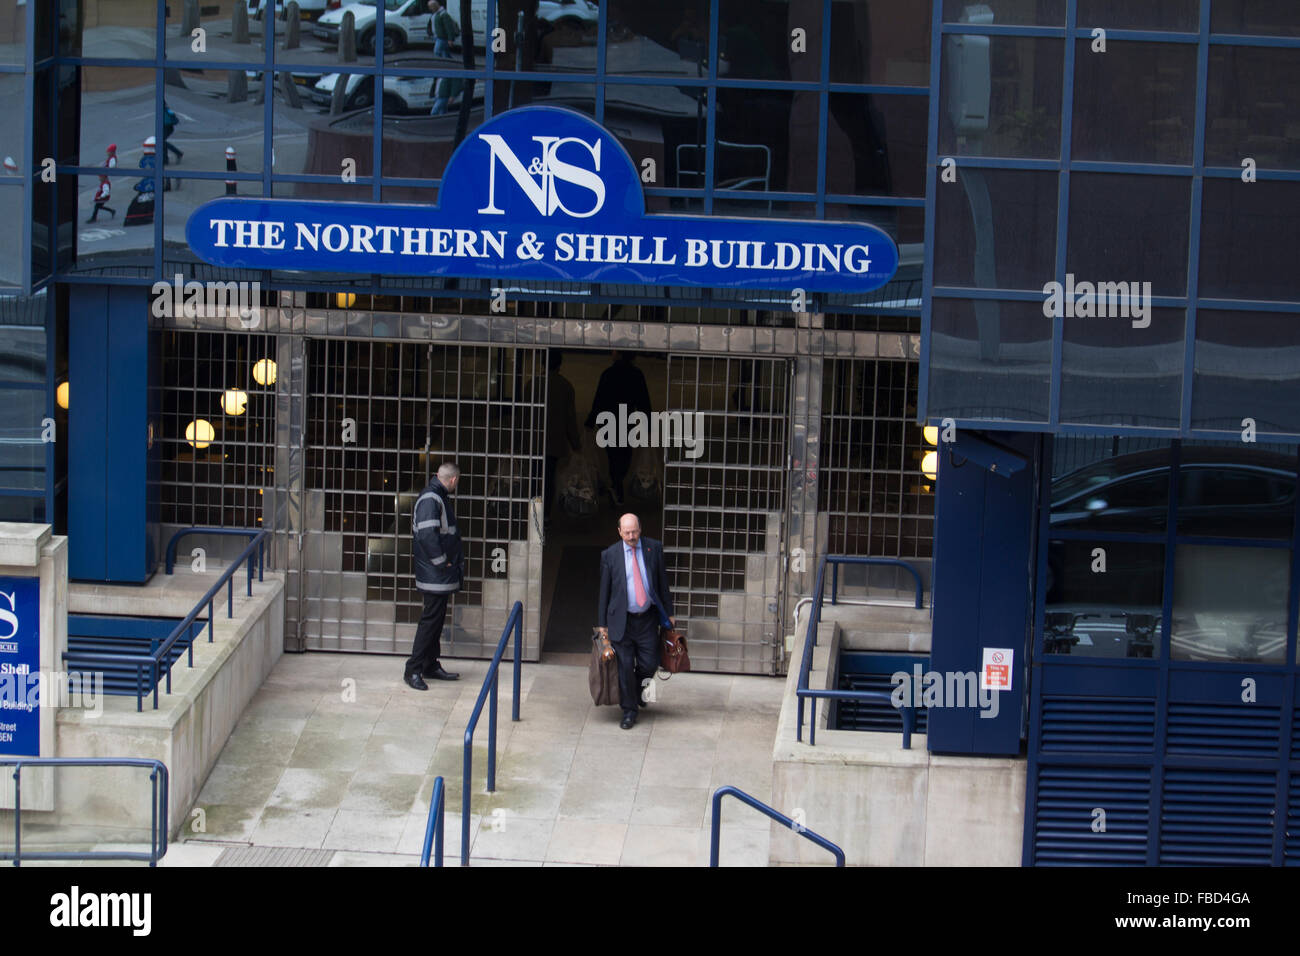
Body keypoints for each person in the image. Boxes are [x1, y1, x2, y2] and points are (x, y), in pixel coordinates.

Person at [596, 513, 676, 729]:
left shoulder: (654, 548)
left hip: (647, 618)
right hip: (621, 620)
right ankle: (629, 711)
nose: (631, 536)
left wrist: (669, 612)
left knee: (650, 663)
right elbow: (604, 591)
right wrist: (602, 624)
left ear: (640, 529)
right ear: (620, 531)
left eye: (635, 531)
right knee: (623, 667)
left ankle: (637, 689)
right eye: (627, 532)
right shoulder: (610, 555)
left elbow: (662, 583)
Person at [405, 461, 464, 689]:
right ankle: (413, 669)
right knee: (430, 622)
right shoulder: (432, 498)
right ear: (453, 480)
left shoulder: (435, 496)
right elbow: (428, 536)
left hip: (438, 575)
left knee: (436, 620)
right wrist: (443, 563)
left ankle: (430, 664)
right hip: (435, 574)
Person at [585, 352, 652, 507]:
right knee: (625, 454)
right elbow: (643, 401)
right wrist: (648, 424)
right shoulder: (636, 374)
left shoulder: (608, 374)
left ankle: (615, 484)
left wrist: (590, 421)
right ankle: (617, 484)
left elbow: (599, 400)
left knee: (612, 454)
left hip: (607, 420)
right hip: (626, 420)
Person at [542, 351, 581, 524]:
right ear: (559, 365)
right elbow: (570, 418)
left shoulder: (532, 384)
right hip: (554, 440)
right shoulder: (566, 386)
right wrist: (575, 443)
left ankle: (534, 510)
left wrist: (519, 440)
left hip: (535, 439)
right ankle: (545, 515)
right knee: (549, 477)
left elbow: (523, 414)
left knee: (535, 476)